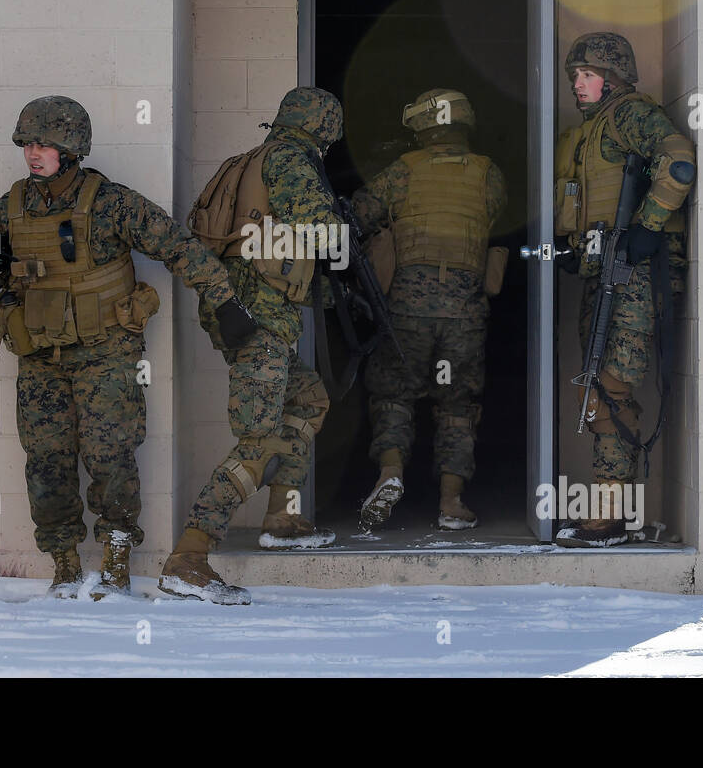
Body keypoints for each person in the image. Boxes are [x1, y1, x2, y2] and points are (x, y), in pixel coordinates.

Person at [0, 95, 255, 598]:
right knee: (46, 461)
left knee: (110, 456)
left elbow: (177, 246)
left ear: (71, 148)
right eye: (28, 143)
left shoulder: (111, 203)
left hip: (106, 353)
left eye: (46, 144)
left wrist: (225, 300)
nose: (34, 153)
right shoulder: (7, 209)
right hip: (40, 357)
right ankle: (65, 565)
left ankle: (117, 559)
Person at [158, 87, 345, 605]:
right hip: (260, 319)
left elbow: (250, 238)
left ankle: (282, 516)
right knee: (258, 439)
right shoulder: (290, 162)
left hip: (240, 314)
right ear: (324, 130)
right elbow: (323, 232)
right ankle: (188, 558)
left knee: (309, 401)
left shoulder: (246, 161)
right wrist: (349, 231)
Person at [552, 33, 695, 547]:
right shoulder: (594, 131)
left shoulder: (628, 114)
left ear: (611, 77)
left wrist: (648, 227)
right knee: (598, 387)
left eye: (585, 74)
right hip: (607, 274)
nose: (577, 83)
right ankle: (608, 512)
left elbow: (678, 161)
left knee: (610, 388)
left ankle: (609, 518)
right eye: (574, 75)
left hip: (633, 278)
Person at [352, 90, 508, 531]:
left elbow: (358, 215)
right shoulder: (487, 172)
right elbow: (492, 218)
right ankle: (452, 503)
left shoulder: (403, 171)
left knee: (394, 395)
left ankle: (390, 473)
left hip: (407, 307)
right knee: (457, 404)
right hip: (464, 309)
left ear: (421, 128)